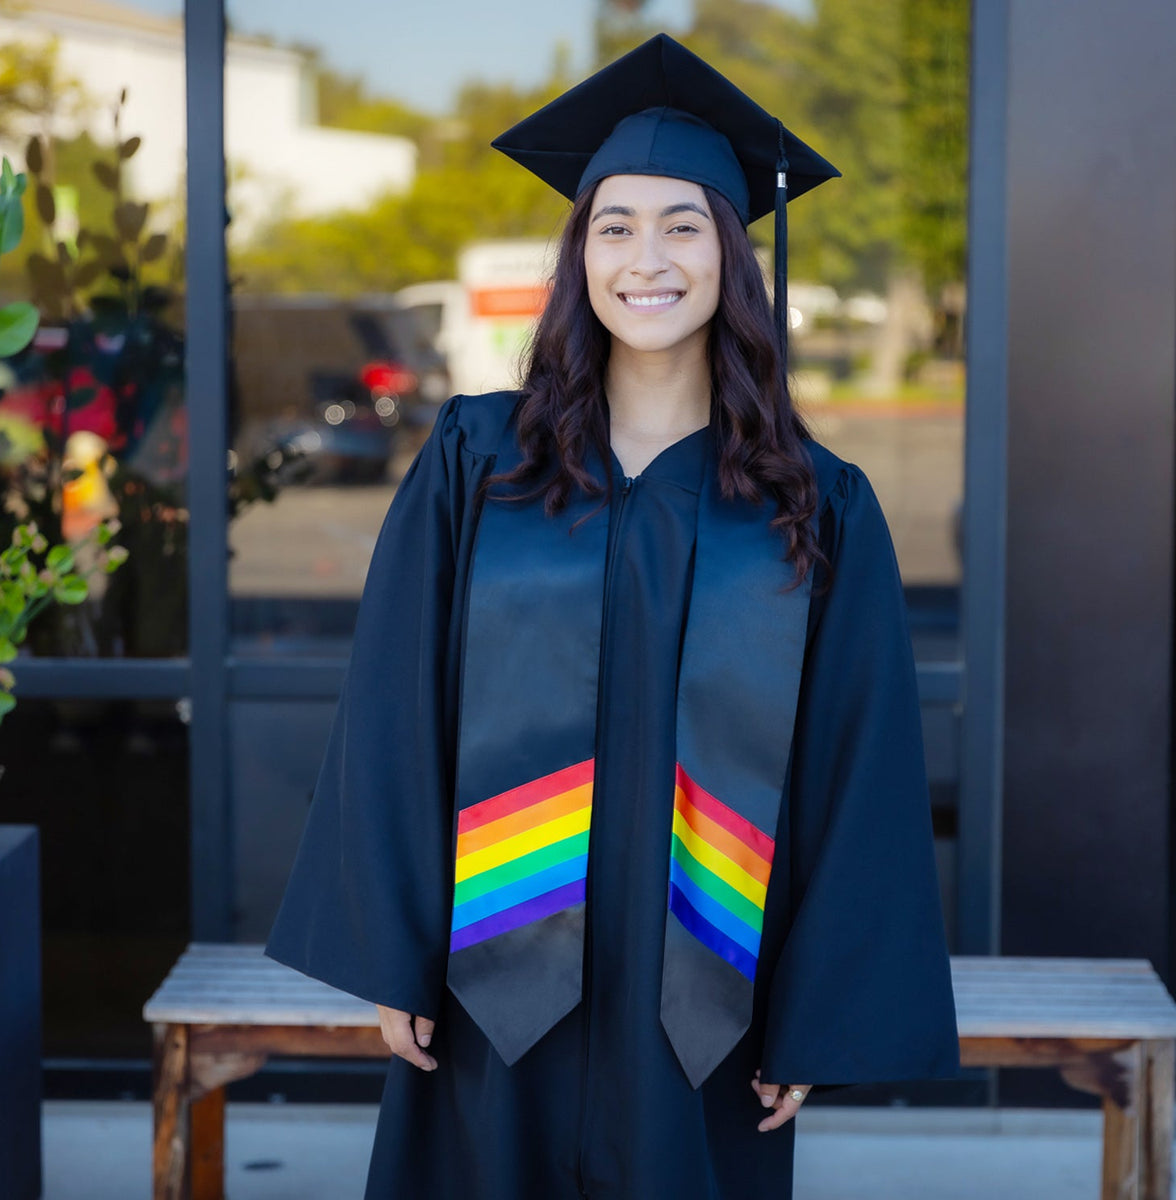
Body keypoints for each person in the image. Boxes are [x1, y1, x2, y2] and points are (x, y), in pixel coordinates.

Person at [265, 33, 961, 1200]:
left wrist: (815, 1018)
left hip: (709, 996)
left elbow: (860, 760)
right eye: (615, 224)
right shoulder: (479, 461)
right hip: (497, 977)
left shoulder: (812, 501)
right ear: (579, 253)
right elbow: (394, 704)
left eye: (684, 224)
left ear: (732, 257)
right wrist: (393, 947)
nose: (648, 257)